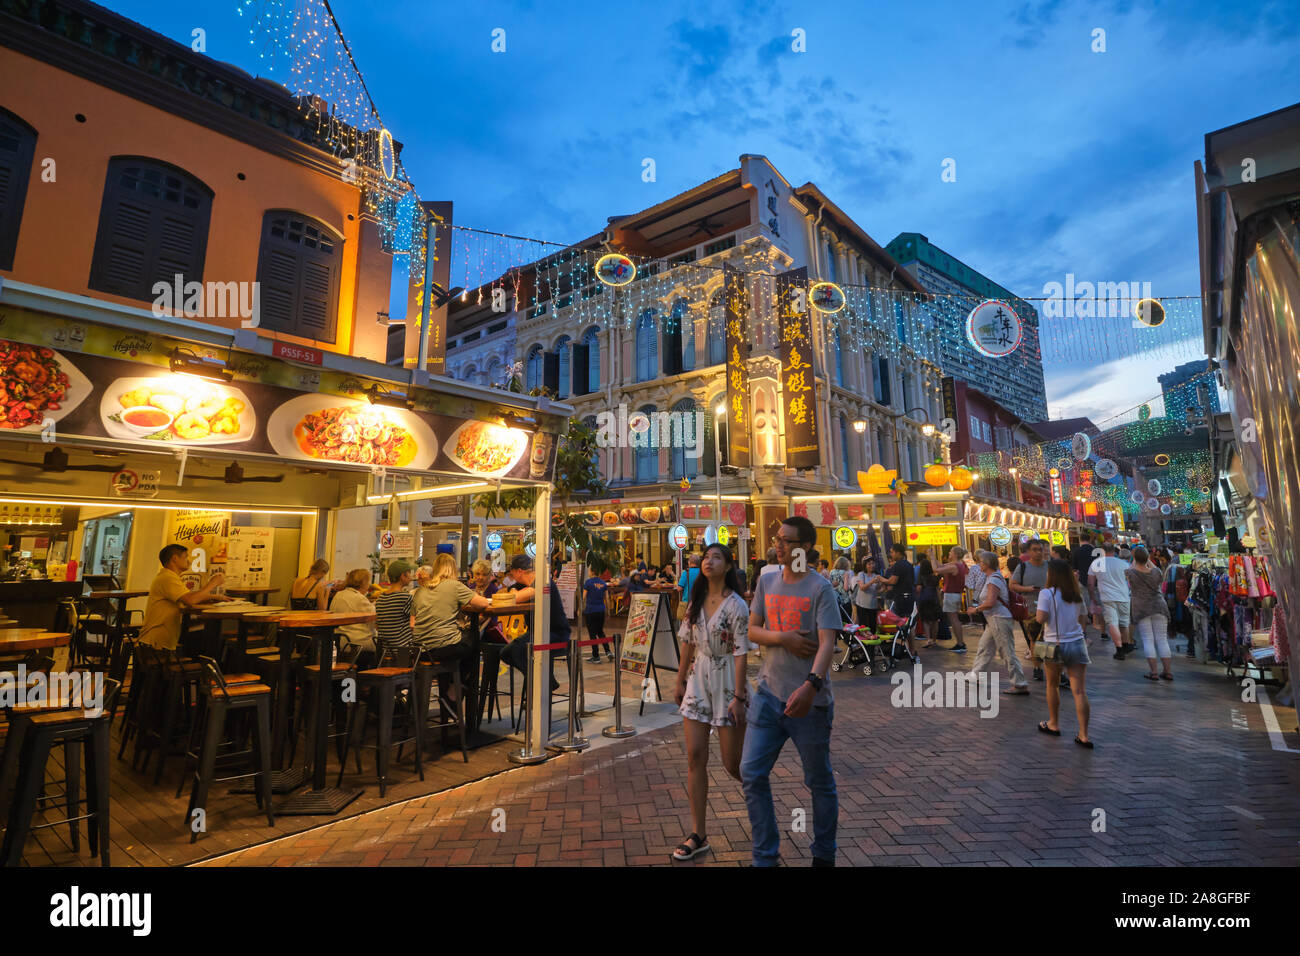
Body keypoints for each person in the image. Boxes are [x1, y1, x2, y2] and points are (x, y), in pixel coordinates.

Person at [741, 515, 840, 867]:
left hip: (809, 703)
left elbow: (828, 642)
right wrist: (782, 637)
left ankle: (823, 856)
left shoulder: (820, 588)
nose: (777, 545)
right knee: (751, 773)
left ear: (806, 547)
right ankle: (765, 856)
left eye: (786, 540)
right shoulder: (768, 581)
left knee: (818, 780)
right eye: (777, 539)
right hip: (768, 695)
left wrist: (811, 686)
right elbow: (752, 630)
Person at [671, 543, 751, 861]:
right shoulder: (696, 602)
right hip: (699, 679)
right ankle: (698, 834)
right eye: (705, 556)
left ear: (729, 566)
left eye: (716, 557)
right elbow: (688, 644)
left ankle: (761, 803)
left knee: (734, 765)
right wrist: (679, 680)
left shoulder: (737, 606)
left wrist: (740, 696)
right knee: (694, 758)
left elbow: (742, 652)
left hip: (728, 680)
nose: (708, 561)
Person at [413, 553, 491, 704]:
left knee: (459, 647)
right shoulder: (454, 585)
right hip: (442, 648)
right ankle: (456, 689)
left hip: (420, 650)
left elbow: (413, 620)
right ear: (453, 569)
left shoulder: (421, 589)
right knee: (473, 642)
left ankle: (450, 689)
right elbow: (483, 604)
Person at [1035, 558, 1092, 747]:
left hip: (1055, 644)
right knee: (1079, 691)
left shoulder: (1046, 593)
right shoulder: (1076, 594)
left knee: (1052, 685)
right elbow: (1084, 618)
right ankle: (1084, 734)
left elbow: (1040, 618)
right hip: (1076, 642)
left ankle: (1054, 723)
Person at [500, 554, 569, 693]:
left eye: (512, 573)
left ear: (519, 571)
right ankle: (543, 681)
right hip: (536, 632)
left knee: (515, 650)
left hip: (555, 633)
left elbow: (515, 597)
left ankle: (543, 684)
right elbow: (511, 589)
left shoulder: (542, 582)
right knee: (506, 652)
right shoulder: (527, 584)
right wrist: (514, 590)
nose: (512, 577)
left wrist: (515, 593)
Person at [137, 544, 228, 650]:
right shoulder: (167, 578)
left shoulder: (171, 577)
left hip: (159, 643)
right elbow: (190, 600)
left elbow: (188, 598)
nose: (188, 561)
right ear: (175, 559)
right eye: (185, 557)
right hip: (154, 645)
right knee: (202, 644)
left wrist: (214, 597)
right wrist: (213, 584)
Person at [967, 550, 1029, 694]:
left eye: (981, 562)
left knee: (1007, 651)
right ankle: (975, 675)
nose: (979, 564)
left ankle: (1019, 683)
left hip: (998, 618)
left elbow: (990, 602)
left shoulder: (993, 579)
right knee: (985, 647)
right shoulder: (994, 577)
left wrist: (975, 610)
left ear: (986, 564)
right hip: (994, 619)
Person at [1126, 546, 1172, 681]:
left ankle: (1154, 672)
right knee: (1162, 639)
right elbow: (1155, 572)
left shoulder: (1130, 572)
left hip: (1142, 608)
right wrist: (1148, 560)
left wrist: (1136, 559)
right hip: (1159, 606)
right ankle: (1168, 672)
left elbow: (1132, 568)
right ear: (1147, 558)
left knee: (1148, 640)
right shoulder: (1156, 571)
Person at [1010, 539, 1051, 682]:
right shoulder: (1022, 567)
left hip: (1049, 608)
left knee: (1047, 639)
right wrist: (1027, 589)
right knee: (1035, 639)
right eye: (1035, 549)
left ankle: (1049, 666)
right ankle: (1038, 667)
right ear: (1028, 552)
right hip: (1031, 609)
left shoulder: (1050, 566)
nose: (1038, 552)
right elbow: (1013, 585)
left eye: (1040, 549)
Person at [1089, 541, 1133, 660]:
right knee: (1124, 623)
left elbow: (1090, 583)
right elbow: (1130, 581)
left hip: (1107, 598)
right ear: (1114, 551)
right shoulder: (1124, 563)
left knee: (1113, 623)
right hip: (1123, 597)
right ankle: (1125, 645)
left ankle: (1119, 650)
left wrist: (1093, 598)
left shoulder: (1096, 563)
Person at [331, 569, 377, 664]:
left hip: (340, 640)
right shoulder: (359, 598)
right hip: (356, 642)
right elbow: (375, 619)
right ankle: (371, 674)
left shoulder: (339, 595)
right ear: (363, 583)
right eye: (368, 582)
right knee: (382, 640)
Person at [877, 543, 917, 655]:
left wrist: (881, 579)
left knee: (895, 622)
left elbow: (892, 581)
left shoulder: (898, 565)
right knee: (908, 624)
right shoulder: (908, 564)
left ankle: (895, 649)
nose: (891, 554)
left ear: (898, 552)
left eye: (892, 552)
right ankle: (909, 649)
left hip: (902, 598)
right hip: (909, 597)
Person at [374, 560, 416, 652]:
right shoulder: (405, 598)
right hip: (402, 651)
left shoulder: (381, 598)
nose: (411, 577)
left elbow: (377, 625)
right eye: (409, 573)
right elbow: (415, 622)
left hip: (384, 651)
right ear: (403, 576)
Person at [933, 546, 968, 652]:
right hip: (956, 593)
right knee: (954, 619)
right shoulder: (960, 564)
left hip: (951, 594)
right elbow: (940, 566)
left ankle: (960, 643)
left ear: (956, 554)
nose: (949, 553)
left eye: (951, 552)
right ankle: (960, 642)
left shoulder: (954, 566)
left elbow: (936, 569)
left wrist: (931, 557)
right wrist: (933, 556)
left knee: (954, 619)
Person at [583, 567, 613, 663]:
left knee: (592, 633)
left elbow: (583, 597)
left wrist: (580, 609)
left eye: (589, 570)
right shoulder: (603, 583)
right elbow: (607, 599)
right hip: (601, 610)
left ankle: (596, 656)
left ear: (592, 571)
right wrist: (608, 611)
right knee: (600, 632)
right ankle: (608, 651)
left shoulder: (588, 583)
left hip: (590, 611)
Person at [915, 557, 942, 648]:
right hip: (934, 599)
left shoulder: (921, 577)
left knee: (925, 621)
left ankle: (928, 640)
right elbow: (938, 589)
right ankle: (934, 640)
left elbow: (918, 588)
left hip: (924, 600)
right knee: (935, 620)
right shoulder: (934, 577)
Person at [853, 556, 880, 631]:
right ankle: (863, 643)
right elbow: (862, 587)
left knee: (873, 628)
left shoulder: (876, 575)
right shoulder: (861, 574)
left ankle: (872, 642)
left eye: (873, 563)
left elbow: (878, 590)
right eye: (869, 564)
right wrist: (872, 582)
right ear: (865, 565)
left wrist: (880, 584)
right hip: (862, 605)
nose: (872, 565)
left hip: (873, 605)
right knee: (863, 627)